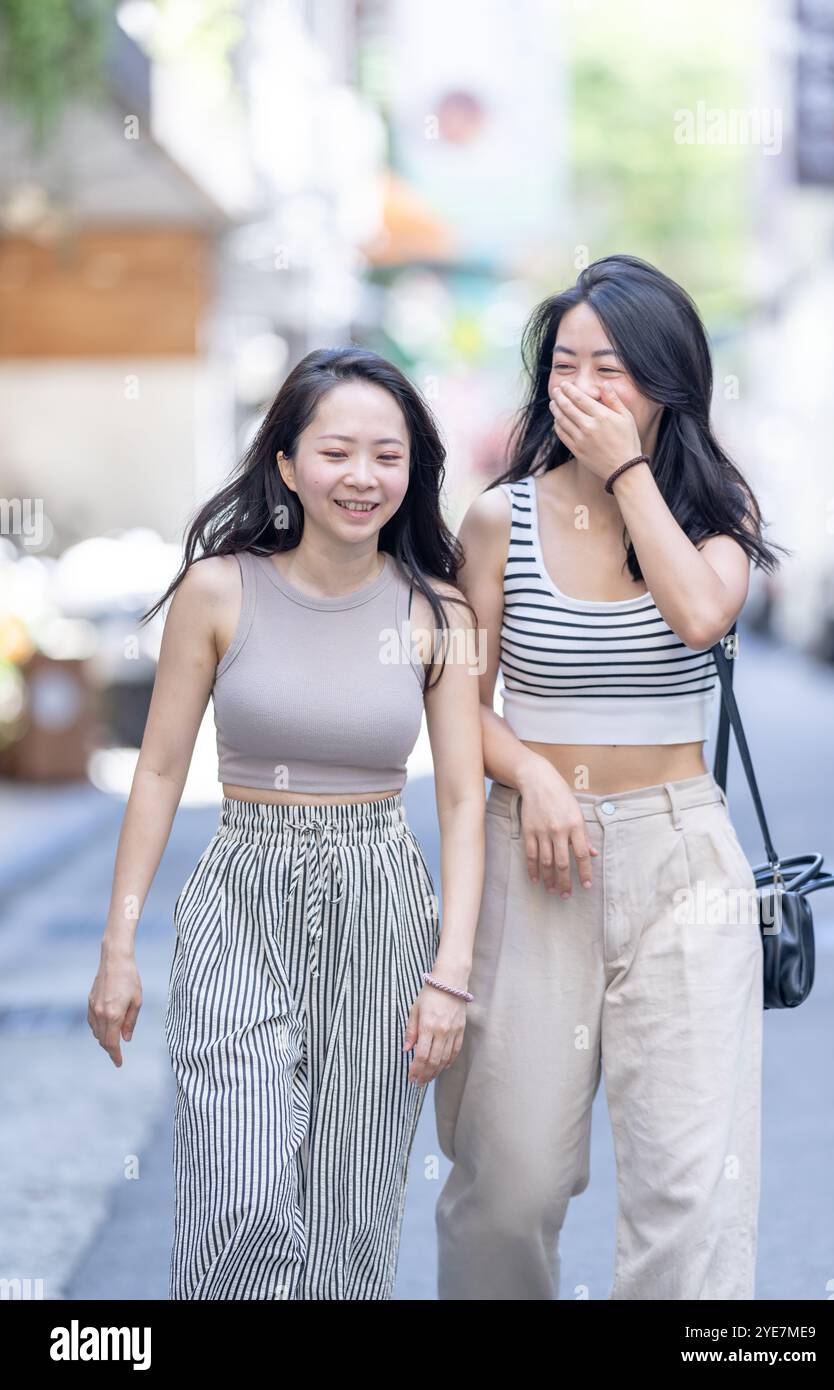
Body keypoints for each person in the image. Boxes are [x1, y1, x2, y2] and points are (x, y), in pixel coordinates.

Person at [88, 346, 485, 1300]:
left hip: (381, 900)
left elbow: (465, 797)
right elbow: (157, 770)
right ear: (286, 464)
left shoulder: (439, 613)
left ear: (412, 470)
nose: (362, 477)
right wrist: (119, 944)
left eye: (386, 456)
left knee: (351, 1206)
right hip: (241, 892)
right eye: (336, 451)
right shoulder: (219, 589)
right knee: (243, 1180)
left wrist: (451, 976)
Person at [434, 254, 787, 1301]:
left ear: (667, 385)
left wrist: (627, 476)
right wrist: (533, 775)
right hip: (531, 856)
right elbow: (456, 704)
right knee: (508, 1182)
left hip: (681, 856)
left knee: (690, 1192)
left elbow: (696, 614)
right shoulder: (496, 522)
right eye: (566, 366)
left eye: (614, 370)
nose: (584, 389)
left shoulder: (716, 519)